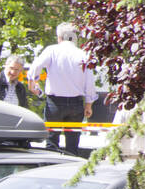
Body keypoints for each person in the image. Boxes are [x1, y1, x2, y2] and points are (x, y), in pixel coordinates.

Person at [28, 22, 97, 155]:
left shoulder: (52, 50)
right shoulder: (83, 54)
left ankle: (50, 168)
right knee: (73, 142)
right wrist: (89, 104)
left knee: (52, 141)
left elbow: (36, 66)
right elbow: (90, 82)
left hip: (54, 103)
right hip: (76, 104)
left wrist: (32, 82)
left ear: (59, 37)